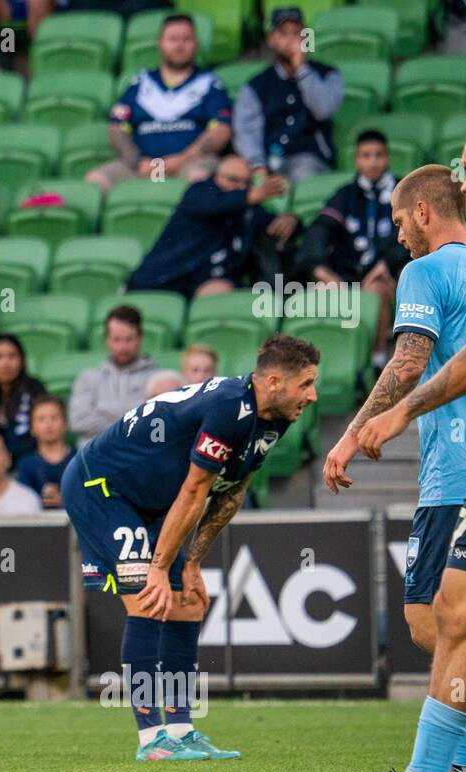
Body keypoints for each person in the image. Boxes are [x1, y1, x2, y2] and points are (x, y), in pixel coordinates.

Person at [336, 114, 466, 772]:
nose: (397, 233)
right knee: (458, 616)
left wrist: (359, 430)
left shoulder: (424, 269)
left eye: (402, 220)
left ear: (423, 211)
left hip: (457, 469)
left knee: (427, 619)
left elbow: (411, 359)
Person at [62, 334, 320, 761]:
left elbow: (232, 491)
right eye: (306, 384)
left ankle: (180, 729)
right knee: (149, 599)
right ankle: (151, 740)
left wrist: (193, 563)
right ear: (274, 381)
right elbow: (195, 488)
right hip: (102, 488)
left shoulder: (275, 415)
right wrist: (160, 567)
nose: (312, 396)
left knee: (187, 603)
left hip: (155, 502)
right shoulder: (228, 408)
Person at [294, 129, 409, 367]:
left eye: (378, 155)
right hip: (346, 273)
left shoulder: (402, 192)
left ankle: (377, 363)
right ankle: (331, 366)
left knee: (376, 290)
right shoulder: (345, 195)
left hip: (390, 273)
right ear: (356, 159)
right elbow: (318, 231)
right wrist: (322, 272)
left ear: (387, 157)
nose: (373, 161)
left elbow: (413, 233)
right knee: (320, 292)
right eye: (366, 155)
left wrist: (384, 264)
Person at [86, 13, 232, 194]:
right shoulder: (140, 83)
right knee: (95, 181)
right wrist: (137, 161)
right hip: (140, 165)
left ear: (196, 43)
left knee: (199, 178)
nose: (179, 45)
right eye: (173, 39)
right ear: (160, 43)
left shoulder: (210, 83)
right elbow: (116, 128)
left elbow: (221, 131)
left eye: (186, 39)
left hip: (190, 164)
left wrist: (182, 159)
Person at [126, 155, 297, 298]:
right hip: (160, 280)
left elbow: (274, 223)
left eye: (247, 183)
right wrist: (253, 194)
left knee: (222, 293)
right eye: (233, 180)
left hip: (201, 283)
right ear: (216, 177)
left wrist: (290, 219)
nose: (240, 187)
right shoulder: (199, 192)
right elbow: (218, 203)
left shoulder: (249, 210)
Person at [233, 6, 344, 184]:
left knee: (304, 176)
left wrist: (302, 69)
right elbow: (246, 130)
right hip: (266, 161)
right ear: (271, 39)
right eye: (283, 33)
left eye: (296, 33)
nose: (291, 40)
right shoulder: (256, 85)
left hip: (310, 158)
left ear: (306, 37)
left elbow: (323, 110)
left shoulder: (327, 74)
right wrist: (257, 163)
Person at [68, 306, 159, 444]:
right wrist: (131, 418)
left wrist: (104, 412)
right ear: (107, 339)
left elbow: (156, 424)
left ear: (140, 337)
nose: (122, 347)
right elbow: (78, 421)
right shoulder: (87, 378)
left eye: (129, 339)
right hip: (95, 458)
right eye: (116, 339)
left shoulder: (158, 379)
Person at [0, 333, 45, 461]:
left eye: (12, 356)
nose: (5, 363)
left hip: (26, 464)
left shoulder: (35, 389)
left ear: (22, 360)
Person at [15, 394, 74, 509]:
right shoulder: (26, 464)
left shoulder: (80, 460)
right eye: (41, 419)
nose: (48, 424)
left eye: (54, 418)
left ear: (65, 424)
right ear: (31, 428)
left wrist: (65, 501)